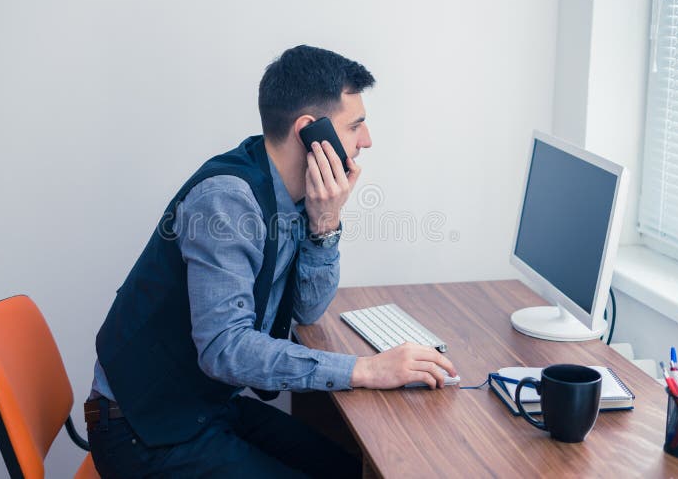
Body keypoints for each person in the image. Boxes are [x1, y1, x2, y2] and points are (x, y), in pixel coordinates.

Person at [86, 45, 458, 478]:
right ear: (309, 131)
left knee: (348, 468)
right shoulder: (228, 200)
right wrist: (366, 368)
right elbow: (225, 349)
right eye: (355, 125)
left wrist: (324, 225)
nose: (367, 140)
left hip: (204, 409)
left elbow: (305, 310)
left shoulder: (295, 195)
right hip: (143, 431)